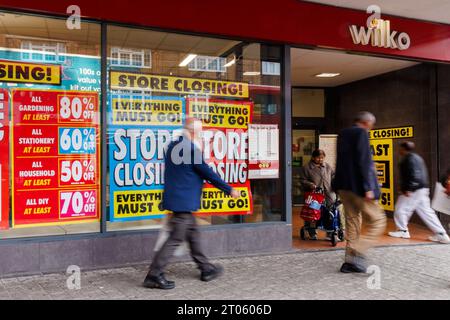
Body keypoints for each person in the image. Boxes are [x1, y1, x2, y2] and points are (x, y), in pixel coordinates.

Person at [143, 118, 240, 289]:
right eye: (200, 133)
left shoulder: (172, 146)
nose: (201, 136)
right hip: (183, 202)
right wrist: (229, 189)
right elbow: (208, 173)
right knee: (175, 238)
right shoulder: (190, 150)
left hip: (177, 199)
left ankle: (206, 268)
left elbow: (183, 172)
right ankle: (154, 274)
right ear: (194, 132)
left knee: (193, 234)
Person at [333, 111, 386, 273]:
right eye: (371, 125)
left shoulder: (342, 134)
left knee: (352, 223)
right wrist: (368, 187)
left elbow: (341, 161)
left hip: (343, 187)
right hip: (359, 189)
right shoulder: (361, 133)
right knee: (378, 221)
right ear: (367, 123)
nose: (371, 129)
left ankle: (349, 262)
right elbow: (364, 161)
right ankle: (358, 253)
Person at [388, 142, 450, 243]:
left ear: (403, 149)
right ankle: (441, 234)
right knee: (426, 212)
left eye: (400, 148)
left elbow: (415, 174)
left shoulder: (409, 159)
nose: (398, 150)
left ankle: (402, 230)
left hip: (414, 189)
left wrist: (409, 188)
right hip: (422, 189)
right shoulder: (417, 158)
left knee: (400, 209)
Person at [299, 149, 339, 239]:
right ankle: (312, 232)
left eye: (322, 158)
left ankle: (330, 233)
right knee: (313, 213)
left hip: (328, 193)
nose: (320, 160)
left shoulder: (327, 166)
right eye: (318, 158)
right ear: (313, 157)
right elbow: (302, 180)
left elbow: (333, 176)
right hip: (315, 195)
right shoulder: (307, 168)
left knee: (330, 212)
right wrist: (311, 185)